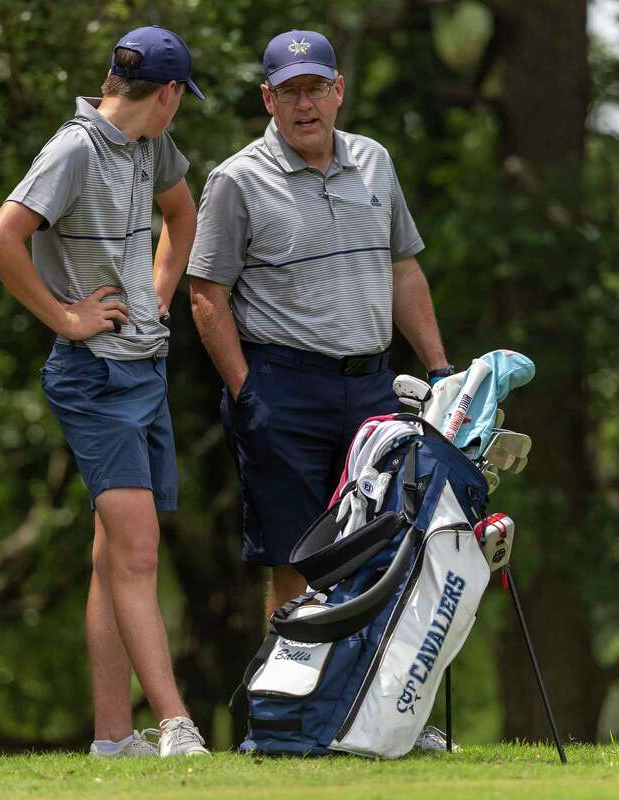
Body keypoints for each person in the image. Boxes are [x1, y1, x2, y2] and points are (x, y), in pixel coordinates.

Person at [0, 26, 209, 758]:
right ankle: (176, 724)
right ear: (169, 92)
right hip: (95, 377)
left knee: (113, 556)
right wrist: (67, 317)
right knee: (139, 554)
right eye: (182, 97)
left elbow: (182, 216)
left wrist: (157, 296)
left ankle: (114, 738)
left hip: (144, 365)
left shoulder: (151, 147)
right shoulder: (73, 149)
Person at [188, 30, 453, 623]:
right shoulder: (237, 180)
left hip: (373, 388)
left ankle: (369, 714)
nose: (303, 105)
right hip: (282, 389)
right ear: (268, 99)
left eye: (315, 89)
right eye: (289, 92)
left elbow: (403, 270)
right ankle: (296, 712)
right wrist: (245, 391)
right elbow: (207, 295)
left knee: (385, 551)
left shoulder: (375, 162)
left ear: (339, 90)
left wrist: (438, 368)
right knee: (298, 562)